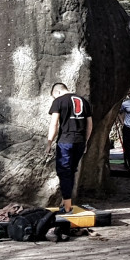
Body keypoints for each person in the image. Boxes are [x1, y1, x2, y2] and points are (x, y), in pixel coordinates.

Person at [47, 83, 93, 214]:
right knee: (71, 171)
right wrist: (86, 142)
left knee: (64, 172)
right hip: (79, 141)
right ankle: (65, 202)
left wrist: (49, 143)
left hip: (65, 142)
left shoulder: (58, 101)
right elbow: (89, 124)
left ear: (56, 92)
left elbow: (54, 124)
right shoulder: (84, 101)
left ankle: (67, 207)